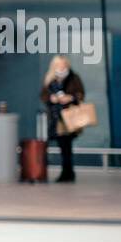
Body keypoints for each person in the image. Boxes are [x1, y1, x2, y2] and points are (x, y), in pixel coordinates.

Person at [40, 54, 85, 183]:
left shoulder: (74, 78)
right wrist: (51, 98)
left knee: (66, 146)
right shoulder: (50, 79)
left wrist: (70, 98)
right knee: (61, 145)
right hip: (55, 117)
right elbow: (43, 95)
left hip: (69, 117)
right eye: (59, 65)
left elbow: (80, 94)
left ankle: (67, 173)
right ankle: (63, 172)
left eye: (64, 65)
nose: (61, 68)